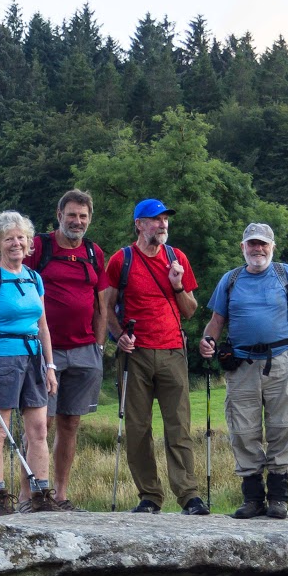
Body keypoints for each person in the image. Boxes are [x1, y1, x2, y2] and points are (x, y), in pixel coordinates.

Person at [199, 222, 288, 519]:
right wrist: (207, 341)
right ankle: (253, 499)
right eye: (252, 244)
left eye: (263, 244)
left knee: (284, 426)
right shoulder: (230, 280)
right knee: (243, 430)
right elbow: (217, 320)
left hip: (281, 359)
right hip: (241, 365)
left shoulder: (286, 274)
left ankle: (279, 498)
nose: (258, 249)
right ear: (243, 247)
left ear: (272, 247)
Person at [97, 198, 209, 515]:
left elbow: (189, 310)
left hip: (173, 350)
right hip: (136, 355)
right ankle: (149, 496)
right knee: (138, 428)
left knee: (179, 427)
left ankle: (189, 496)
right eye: (155, 219)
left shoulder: (177, 258)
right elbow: (107, 307)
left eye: (165, 220)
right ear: (139, 224)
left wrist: (177, 285)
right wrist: (119, 337)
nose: (162, 225)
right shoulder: (122, 260)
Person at [0, 210, 59, 516]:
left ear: (29, 241)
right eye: (9, 238)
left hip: (33, 359)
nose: (16, 243)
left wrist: (50, 366)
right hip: (1, 359)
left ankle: (41, 496)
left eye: (21, 237)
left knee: (39, 431)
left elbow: (43, 326)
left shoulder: (34, 278)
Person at [24, 189, 105, 511]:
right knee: (39, 424)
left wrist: (99, 346)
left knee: (71, 424)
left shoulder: (94, 252)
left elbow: (101, 302)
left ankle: (59, 495)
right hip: (46, 352)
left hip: (85, 350)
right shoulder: (39, 248)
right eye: (71, 215)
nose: (77, 221)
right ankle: (27, 497)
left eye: (83, 216)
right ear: (59, 215)